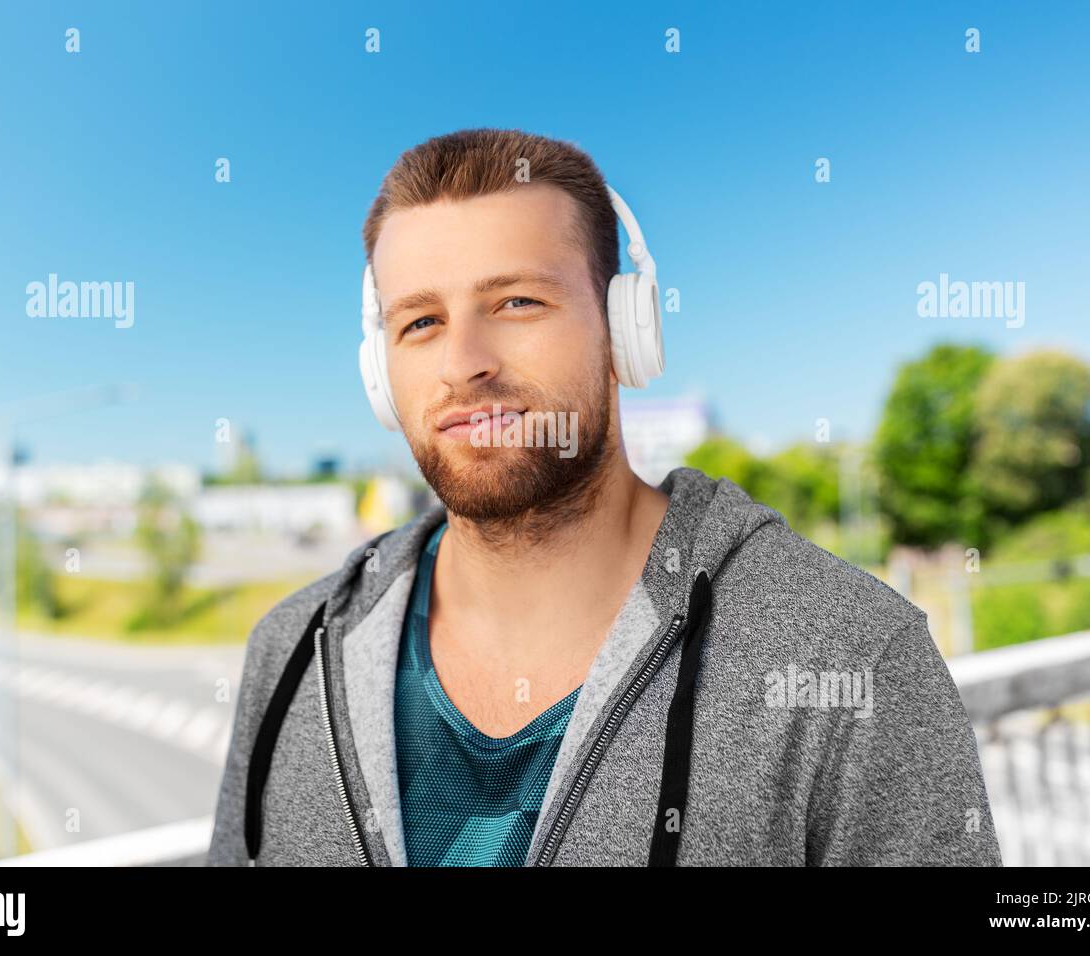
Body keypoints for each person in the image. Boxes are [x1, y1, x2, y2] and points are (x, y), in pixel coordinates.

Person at [207, 127, 1002, 866]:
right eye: (419, 322)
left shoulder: (850, 656)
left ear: (626, 332)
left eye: (517, 302)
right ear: (380, 375)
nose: (464, 364)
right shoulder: (294, 651)